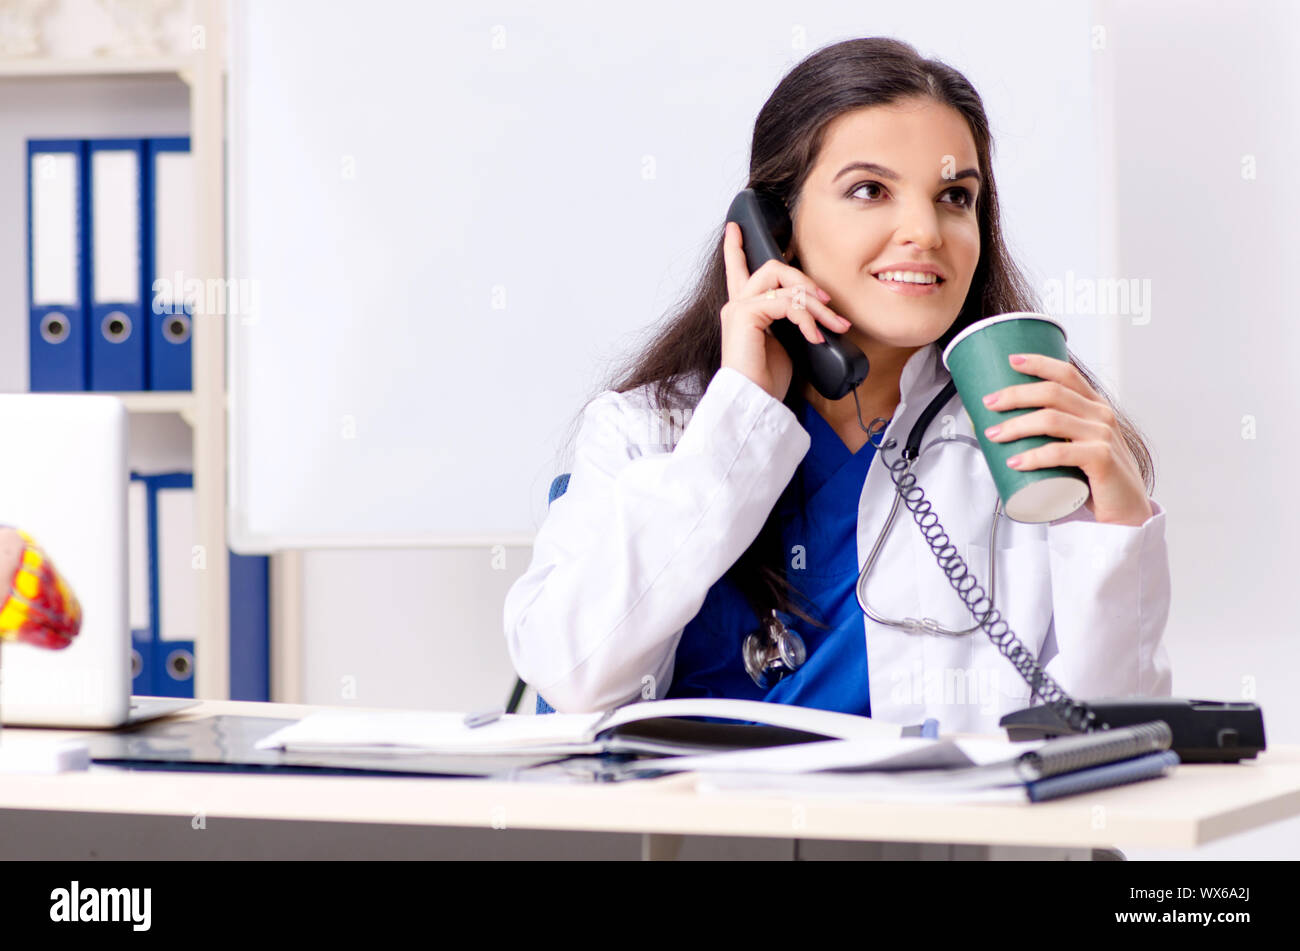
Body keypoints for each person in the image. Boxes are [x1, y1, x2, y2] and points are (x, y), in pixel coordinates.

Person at [503, 37, 1171, 733]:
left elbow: (1111, 742)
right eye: (869, 190)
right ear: (773, 230)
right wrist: (735, 424)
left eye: (954, 196)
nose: (924, 230)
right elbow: (570, 673)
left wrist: (1115, 537)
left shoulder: (1025, 439)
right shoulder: (646, 430)